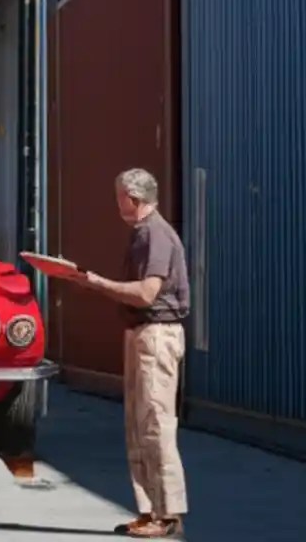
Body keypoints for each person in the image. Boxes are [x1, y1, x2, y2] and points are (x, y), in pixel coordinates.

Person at [74, 168, 189, 539]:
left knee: (156, 425)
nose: (117, 203)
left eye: (120, 197)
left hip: (156, 335)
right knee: (139, 426)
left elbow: (146, 294)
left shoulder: (155, 234)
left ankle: (168, 515)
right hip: (142, 334)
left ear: (133, 199)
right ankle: (149, 509)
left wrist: (96, 283)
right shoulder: (142, 233)